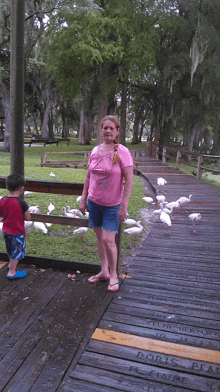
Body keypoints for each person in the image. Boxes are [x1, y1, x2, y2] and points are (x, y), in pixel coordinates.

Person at [79, 115, 134, 292]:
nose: (108, 131)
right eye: (105, 128)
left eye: (112, 128)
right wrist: (83, 198)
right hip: (94, 202)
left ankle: (113, 275)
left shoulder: (123, 151)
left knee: (109, 240)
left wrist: (124, 205)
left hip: (113, 205)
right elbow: (89, 176)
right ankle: (103, 271)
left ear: (117, 131)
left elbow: (130, 180)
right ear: (101, 130)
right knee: (99, 238)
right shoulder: (95, 150)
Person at [0, 174, 31, 279]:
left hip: (6, 230)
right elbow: (28, 218)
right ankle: (12, 272)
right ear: (22, 189)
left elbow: (1, 214)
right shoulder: (22, 203)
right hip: (17, 232)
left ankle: (10, 265)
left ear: (7, 188)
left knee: (10, 249)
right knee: (17, 251)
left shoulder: (3, 200)